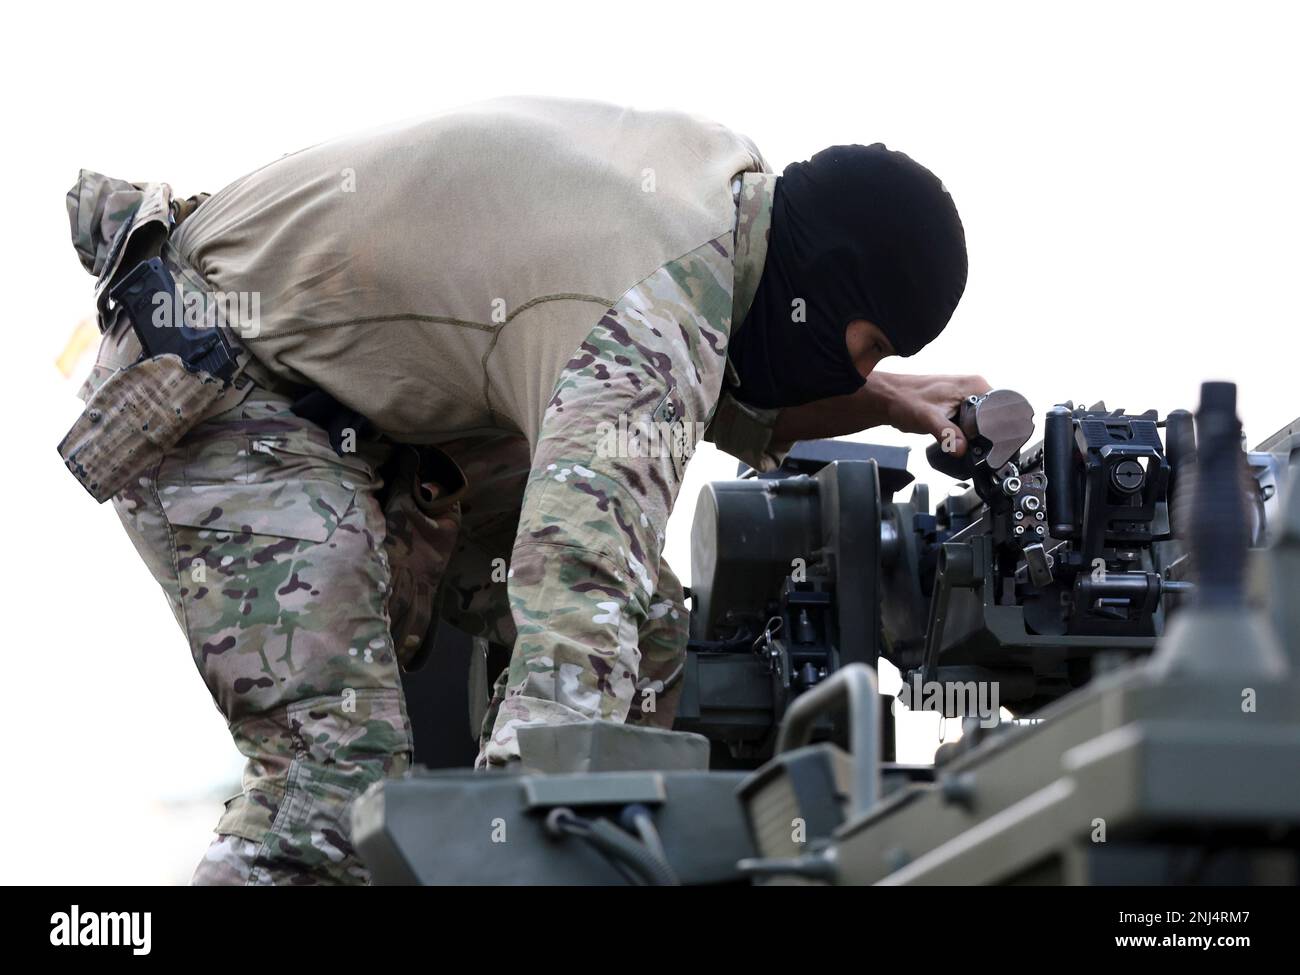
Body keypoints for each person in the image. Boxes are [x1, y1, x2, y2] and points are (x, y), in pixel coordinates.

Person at [60, 96, 985, 884]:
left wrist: (879, 399)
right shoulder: (659, 302)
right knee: (330, 779)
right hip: (228, 376)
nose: (853, 367)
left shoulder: (724, 205)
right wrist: (522, 827)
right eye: (867, 346)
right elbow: (583, 578)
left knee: (650, 641)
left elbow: (707, 371)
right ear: (823, 287)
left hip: (361, 401)